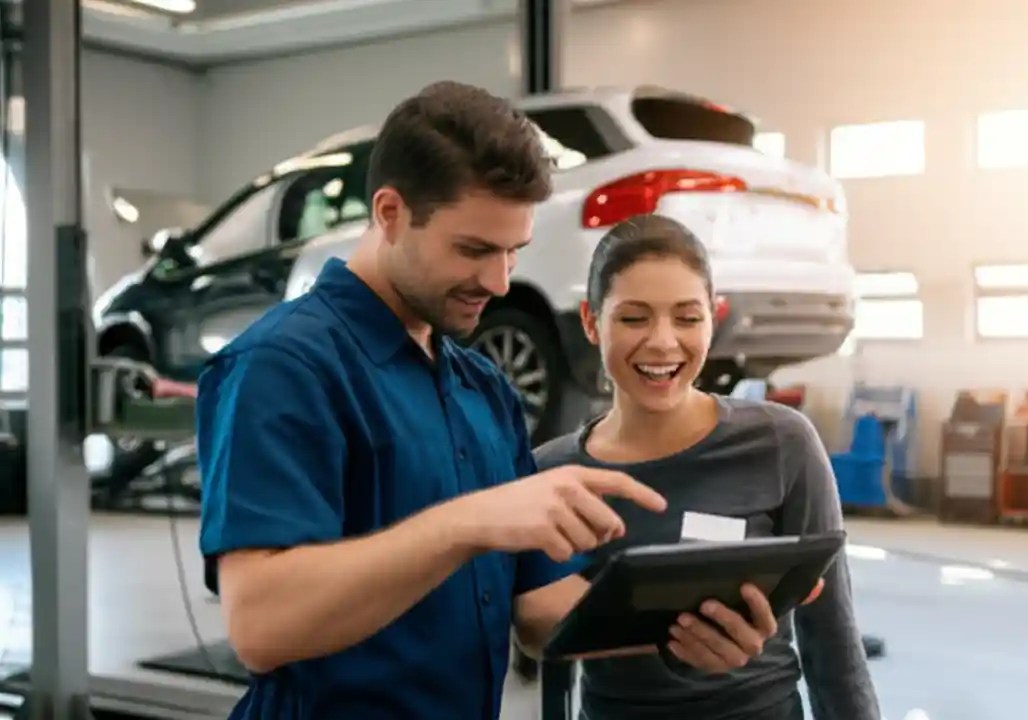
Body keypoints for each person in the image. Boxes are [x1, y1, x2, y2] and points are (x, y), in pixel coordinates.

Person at [195, 82, 784, 720]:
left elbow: (537, 611)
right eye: (474, 250)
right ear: (390, 213)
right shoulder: (284, 367)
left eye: (513, 252)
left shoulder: (483, 388)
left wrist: (679, 628)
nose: (500, 281)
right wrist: (468, 523)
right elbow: (261, 627)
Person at [532, 214, 883, 720]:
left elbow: (833, 641)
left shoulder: (780, 442)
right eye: (634, 318)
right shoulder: (555, 472)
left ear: (713, 318)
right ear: (591, 321)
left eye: (687, 317)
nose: (662, 342)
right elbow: (547, 654)